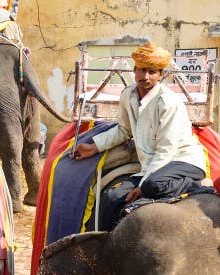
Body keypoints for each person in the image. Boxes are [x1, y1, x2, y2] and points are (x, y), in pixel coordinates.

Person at [73, 41, 207, 229]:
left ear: (161, 75)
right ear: (134, 71)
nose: (145, 76)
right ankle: (101, 246)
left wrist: (142, 187)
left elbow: (166, 150)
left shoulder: (168, 103)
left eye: (152, 72)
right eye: (141, 70)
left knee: (152, 186)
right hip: (152, 168)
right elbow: (123, 130)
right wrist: (94, 147)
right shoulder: (128, 95)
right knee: (111, 197)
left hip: (182, 161)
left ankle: (195, 187)